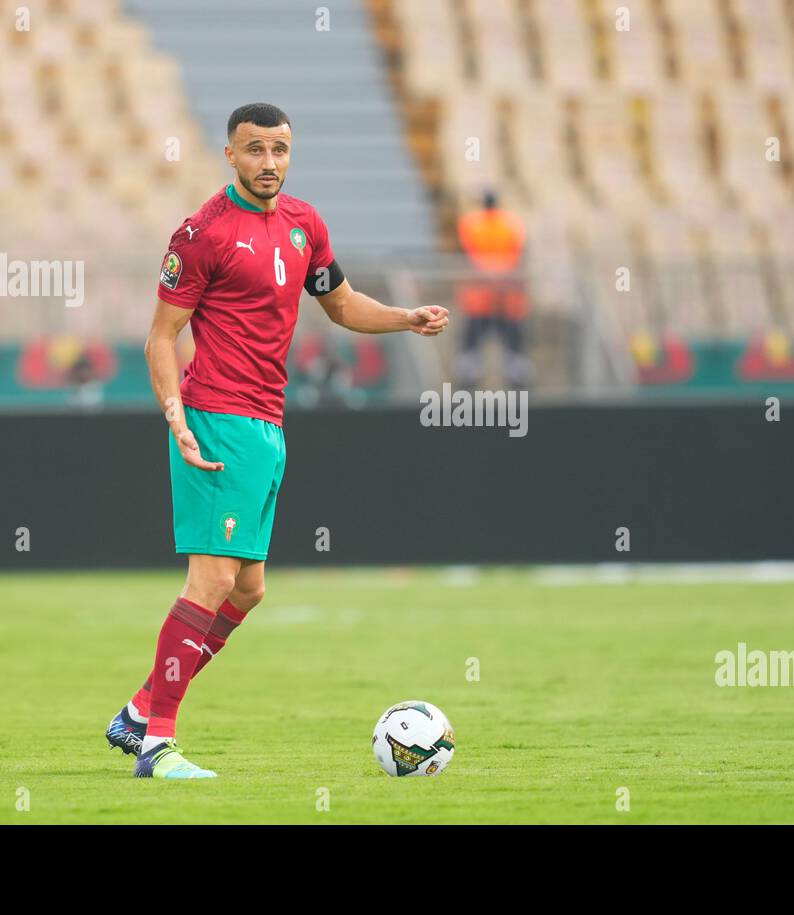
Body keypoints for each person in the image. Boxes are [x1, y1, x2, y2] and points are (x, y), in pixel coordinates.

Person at [106, 103, 449, 778]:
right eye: (255, 150)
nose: (269, 162)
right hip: (216, 418)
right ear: (230, 155)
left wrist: (405, 318)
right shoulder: (202, 233)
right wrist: (176, 416)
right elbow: (160, 337)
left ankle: (141, 709)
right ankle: (156, 747)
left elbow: (343, 303)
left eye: (280, 150)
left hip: (267, 423)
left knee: (248, 590)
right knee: (209, 581)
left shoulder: (303, 225)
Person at [455, 190, 531, 388]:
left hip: (489, 295)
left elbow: (466, 255)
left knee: (498, 340)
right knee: (498, 340)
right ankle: (507, 374)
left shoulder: (473, 223)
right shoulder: (509, 223)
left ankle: (507, 373)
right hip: (498, 294)